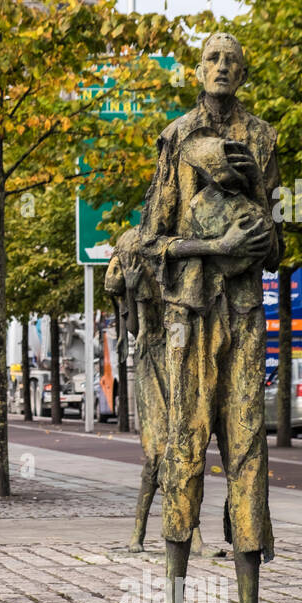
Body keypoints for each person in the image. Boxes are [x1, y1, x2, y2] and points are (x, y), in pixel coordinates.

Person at [139, 32, 283, 603]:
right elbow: (151, 242)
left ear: (243, 73)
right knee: (183, 452)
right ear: (198, 70)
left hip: (246, 315)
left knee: (249, 454)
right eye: (212, 58)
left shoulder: (264, 139)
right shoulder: (177, 137)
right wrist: (215, 250)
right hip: (192, 317)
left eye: (232, 60)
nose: (222, 67)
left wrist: (253, 212)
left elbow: (276, 242)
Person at [106, 227, 211, 556]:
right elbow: (138, 331)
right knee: (156, 454)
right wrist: (135, 294)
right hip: (151, 364)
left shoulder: (169, 273)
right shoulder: (134, 279)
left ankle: (191, 534)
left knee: (184, 448)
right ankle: (139, 532)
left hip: (176, 360)